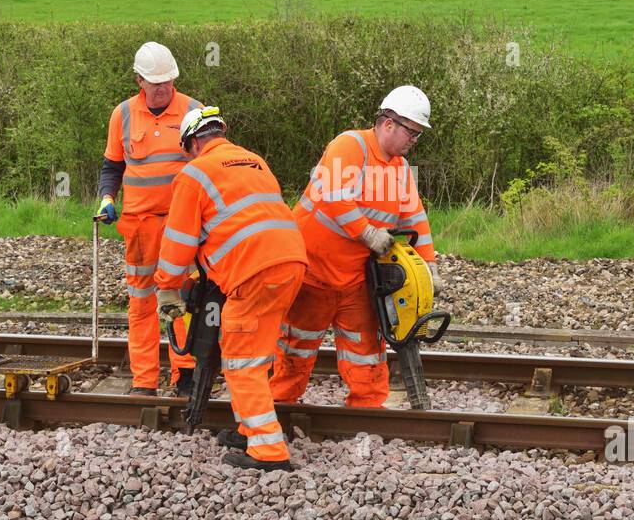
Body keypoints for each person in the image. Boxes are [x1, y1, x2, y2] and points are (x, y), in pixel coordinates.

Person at [154, 106, 308, 472]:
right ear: (219, 134)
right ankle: (248, 429)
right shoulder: (255, 162)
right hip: (292, 261)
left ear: (192, 143)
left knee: (241, 363)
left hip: (253, 272)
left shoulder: (195, 174)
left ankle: (269, 451)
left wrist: (168, 289)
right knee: (258, 355)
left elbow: (178, 241)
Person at [270, 86, 442, 408]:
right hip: (313, 271)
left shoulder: (400, 169)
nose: (414, 141)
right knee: (297, 348)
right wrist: (368, 234)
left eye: (419, 135)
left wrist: (429, 264)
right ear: (388, 123)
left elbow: (415, 216)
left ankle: (365, 415)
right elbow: (335, 196)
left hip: (357, 278)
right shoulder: (350, 145)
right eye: (412, 133)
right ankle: (279, 408)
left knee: (366, 351)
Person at [96, 41, 200, 397]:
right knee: (141, 302)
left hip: (183, 227)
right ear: (139, 80)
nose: (164, 87)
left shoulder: (194, 112)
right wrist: (108, 198)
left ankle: (185, 373)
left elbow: (209, 167)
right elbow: (113, 165)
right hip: (140, 227)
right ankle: (143, 381)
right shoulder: (122, 115)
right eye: (156, 82)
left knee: (183, 298)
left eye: (169, 81)